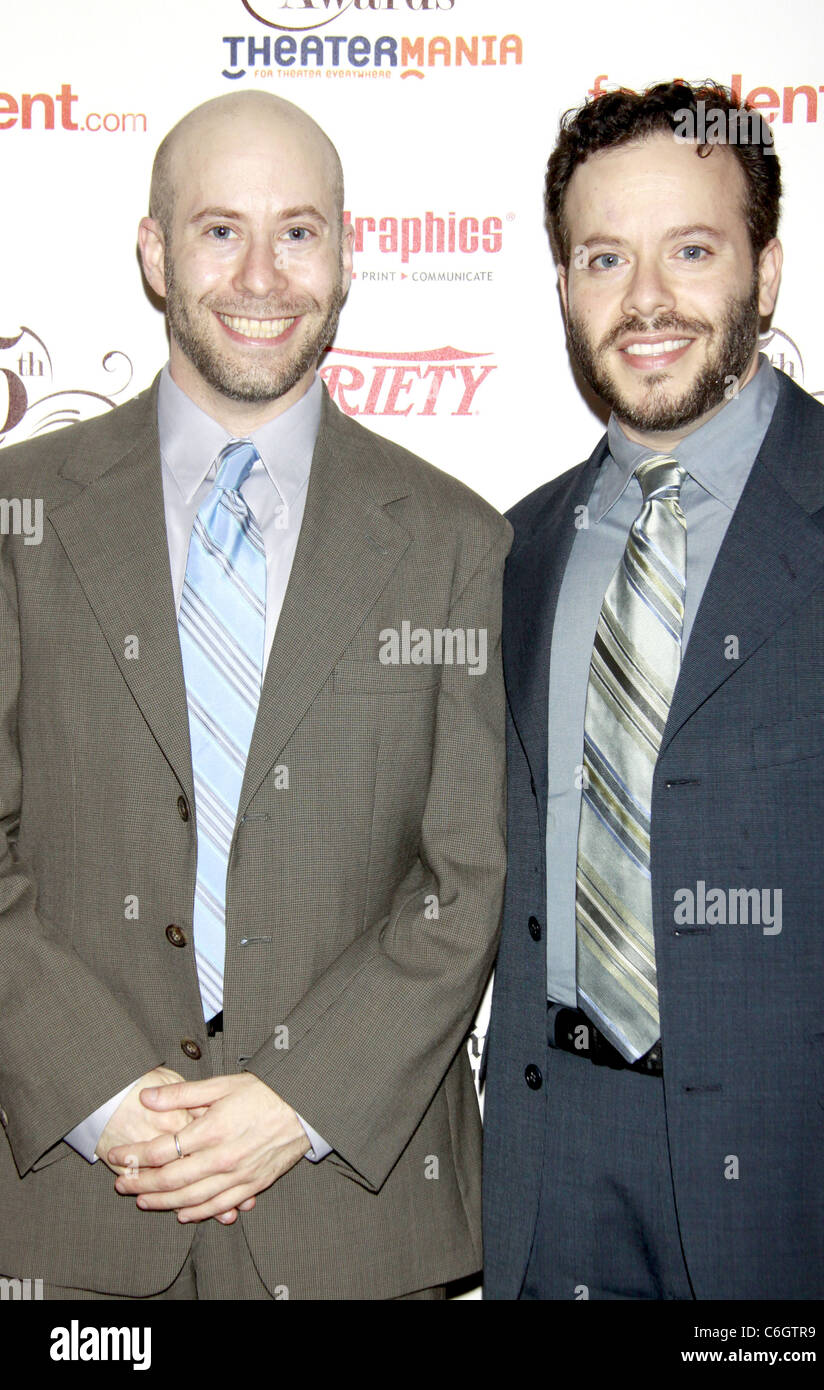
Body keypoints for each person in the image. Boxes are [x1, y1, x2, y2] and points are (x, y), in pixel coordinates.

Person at [0, 90, 511, 1300]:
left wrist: (303, 1099)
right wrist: (102, 1094)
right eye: (220, 229)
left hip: (355, 1220)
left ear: (345, 254)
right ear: (152, 251)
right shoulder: (16, 519)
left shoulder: (454, 540)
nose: (262, 274)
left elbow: (470, 874)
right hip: (70, 1214)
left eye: (299, 231)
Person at [482, 80, 824, 1301]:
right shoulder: (509, 549)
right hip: (555, 1176)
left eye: (690, 250)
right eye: (603, 257)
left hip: (812, 1179)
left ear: (764, 271)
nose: (643, 300)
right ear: (561, 287)